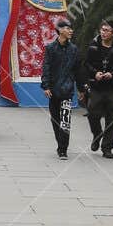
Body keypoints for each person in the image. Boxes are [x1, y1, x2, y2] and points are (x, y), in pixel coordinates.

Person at [80, 20, 113, 159]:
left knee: (111, 118)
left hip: (112, 88)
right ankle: (97, 133)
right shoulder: (93, 47)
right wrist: (95, 73)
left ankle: (107, 148)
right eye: (102, 30)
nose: (103, 32)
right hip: (96, 87)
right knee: (92, 112)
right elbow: (86, 64)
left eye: (107, 30)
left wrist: (112, 74)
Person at [40, 20, 79, 159]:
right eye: (68, 29)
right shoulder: (51, 48)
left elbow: (77, 70)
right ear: (60, 30)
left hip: (67, 91)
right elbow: (46, 67)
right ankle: (60, 143)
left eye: (71, 29)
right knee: (55, 119)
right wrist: (45, 86)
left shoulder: (74, 49)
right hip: (53, 91)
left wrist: (82, 89)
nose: (71, 31)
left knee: (66, 120)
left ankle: (63, 149)